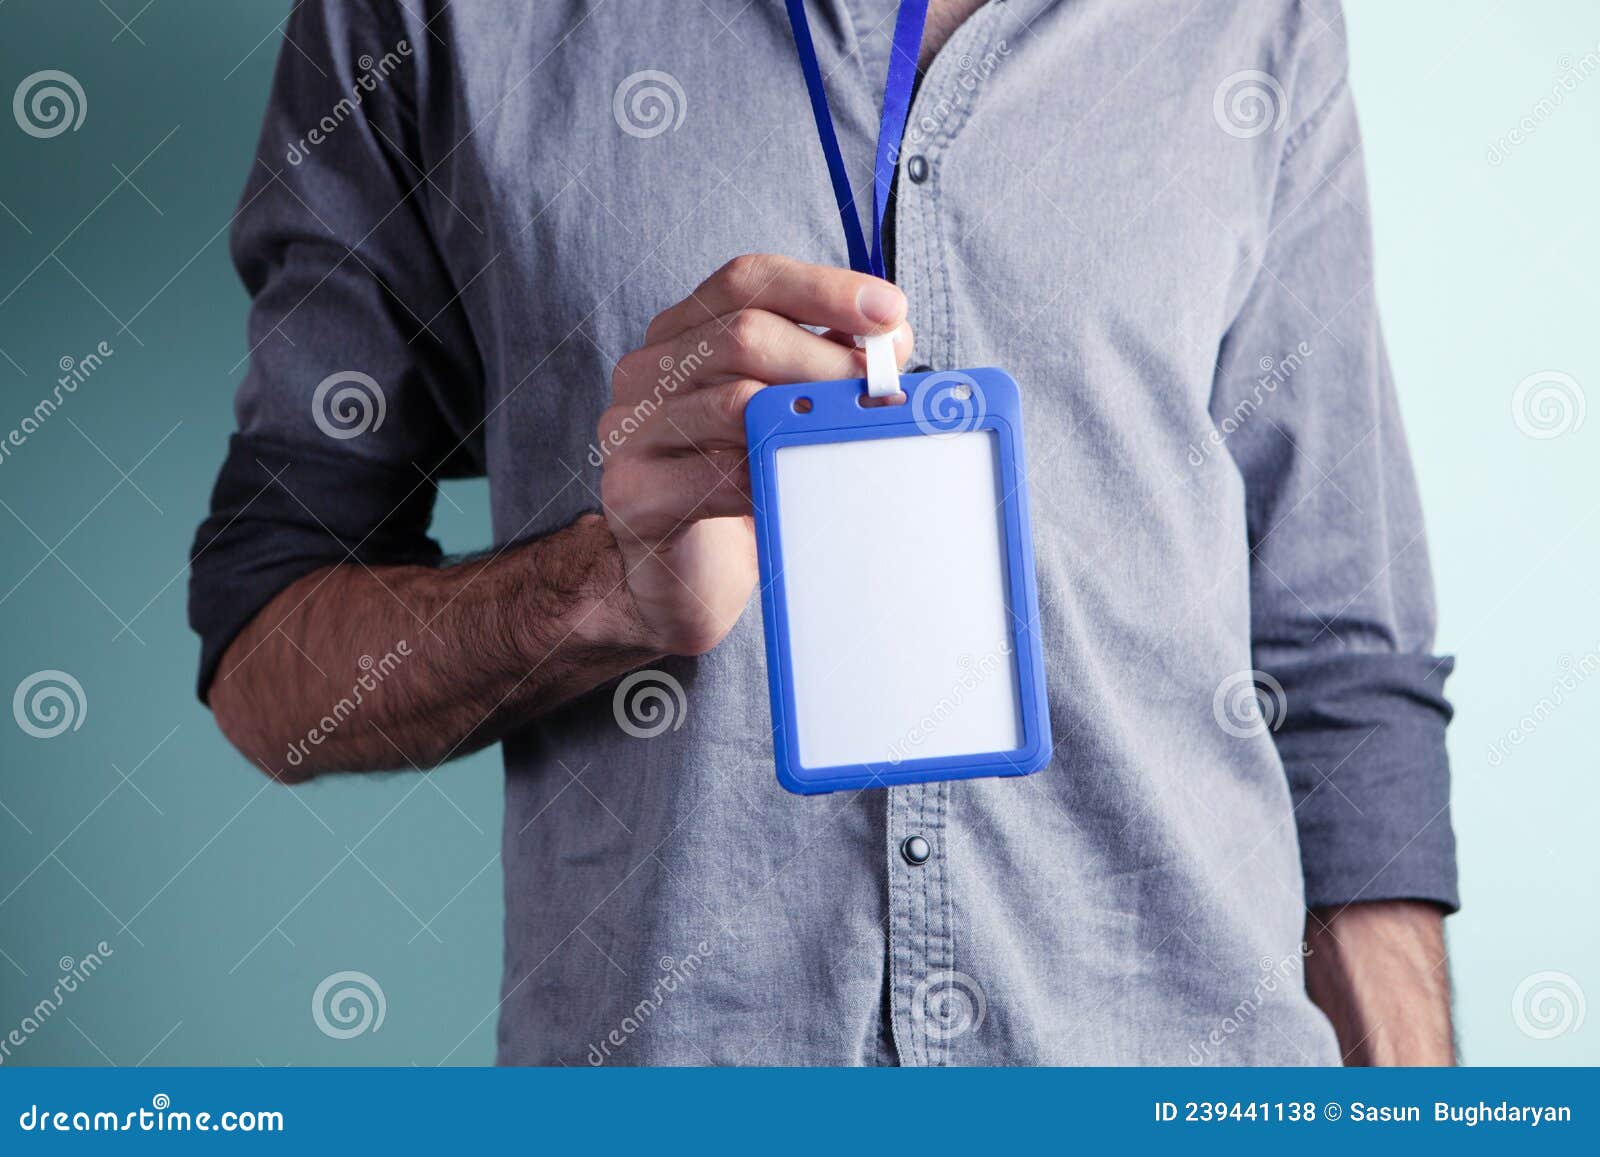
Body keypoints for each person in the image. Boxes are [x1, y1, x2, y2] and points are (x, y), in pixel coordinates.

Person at [190, 0, 1458, 1065]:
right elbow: (266, 651)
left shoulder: (1252, 19)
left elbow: (1340, 670)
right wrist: (606, 593)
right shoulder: (431, 18)